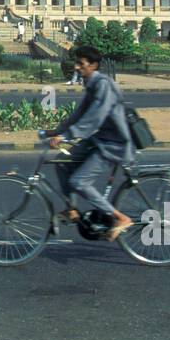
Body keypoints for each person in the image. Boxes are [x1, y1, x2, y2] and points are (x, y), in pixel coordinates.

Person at [43, 44, 135, 242]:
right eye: (77, 63)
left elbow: (95, 117)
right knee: (62, 162)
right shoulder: (91, 83)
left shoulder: (104, 84)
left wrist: (68, 135)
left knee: (79, 181)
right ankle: (72, 210)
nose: (77, 67)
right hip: (99, 139)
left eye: (81, 63)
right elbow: (79, 113)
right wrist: (57, 131)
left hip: (114, 144)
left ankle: (121, 218)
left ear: (93, 65)